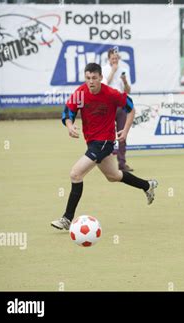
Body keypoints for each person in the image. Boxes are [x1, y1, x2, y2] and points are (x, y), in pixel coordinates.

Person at [51, 63, 158, 230]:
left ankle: (67, 218)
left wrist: (126, 130)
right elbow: (68, 112)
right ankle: (147, 185)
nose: (91, 82)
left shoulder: (111, 93)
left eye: (94, 78)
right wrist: (70, 126)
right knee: (113, 176)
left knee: (75, 174)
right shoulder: (81, 93)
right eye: (88, 78)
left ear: (101, 77)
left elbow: (131, 109)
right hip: (92, 142)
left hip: (104, 142)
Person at [102, 48, 133, 172]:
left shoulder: (124, 70)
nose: (115, 60)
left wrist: (125, 81)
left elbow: (127, 91)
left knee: (122, 134)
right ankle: (106, 163)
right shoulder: (103, 70)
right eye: (112, 58)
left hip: (121, 105)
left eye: (116, 58)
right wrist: (113, 71)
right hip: (108, 105)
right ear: (109, 58)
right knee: (106, 135)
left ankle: (122, 163)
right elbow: (103, 86)